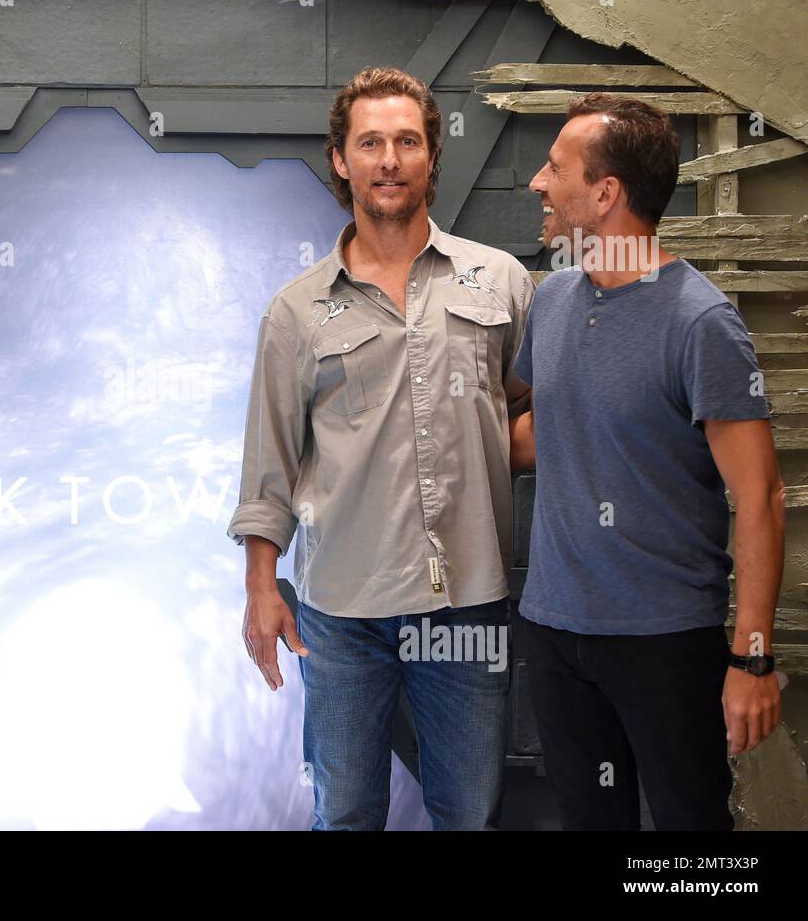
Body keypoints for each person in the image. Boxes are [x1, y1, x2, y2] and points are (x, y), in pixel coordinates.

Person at [229, 67, 533, 830]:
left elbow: (530, 416)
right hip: (341, 612)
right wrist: (261, 589)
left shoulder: (500, 281)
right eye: (370, 143)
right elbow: (269, 464)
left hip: (467, 602)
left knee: (468, 813)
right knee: (346, 814)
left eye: (406, 141)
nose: (389, 159)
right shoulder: (297, 310)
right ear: (341, 159)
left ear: (433, 155)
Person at [510, 93, 784, 830]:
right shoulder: (556, 299)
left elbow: (759, 496)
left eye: (555, 167)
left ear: (604, 195)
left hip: (664, 642)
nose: (538, 182)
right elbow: (547, 431)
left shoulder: (702, 323)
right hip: (557, 630)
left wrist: (751, 659)